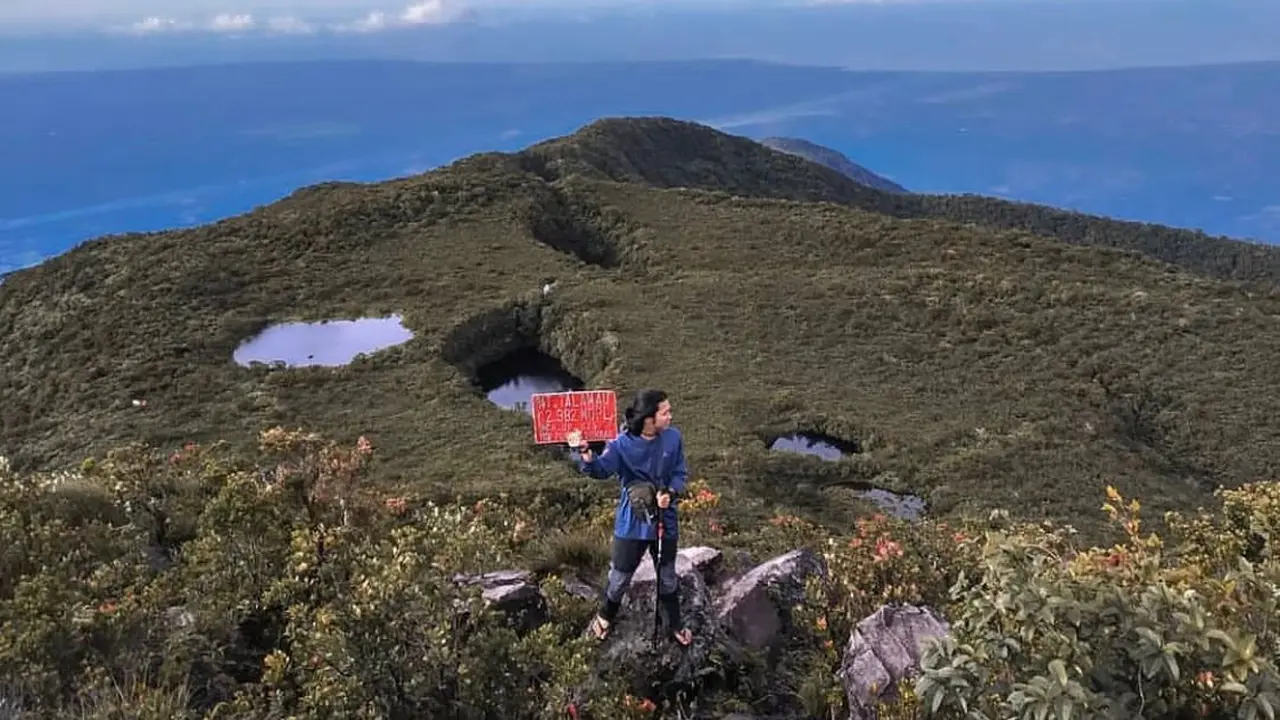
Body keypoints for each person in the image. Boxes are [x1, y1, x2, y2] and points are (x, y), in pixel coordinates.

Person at [568, 388, 692, 646]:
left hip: (664, 520)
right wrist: (586, 454)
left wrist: (670, 491)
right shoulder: (621, 445)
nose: (671, 416)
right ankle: (605, 615)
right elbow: (601, 470)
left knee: (667, 576)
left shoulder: (673, 438)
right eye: (665, 412)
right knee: (620, 577)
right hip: (631, 523)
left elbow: (680, 472)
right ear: (649, 418)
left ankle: (675, 623)